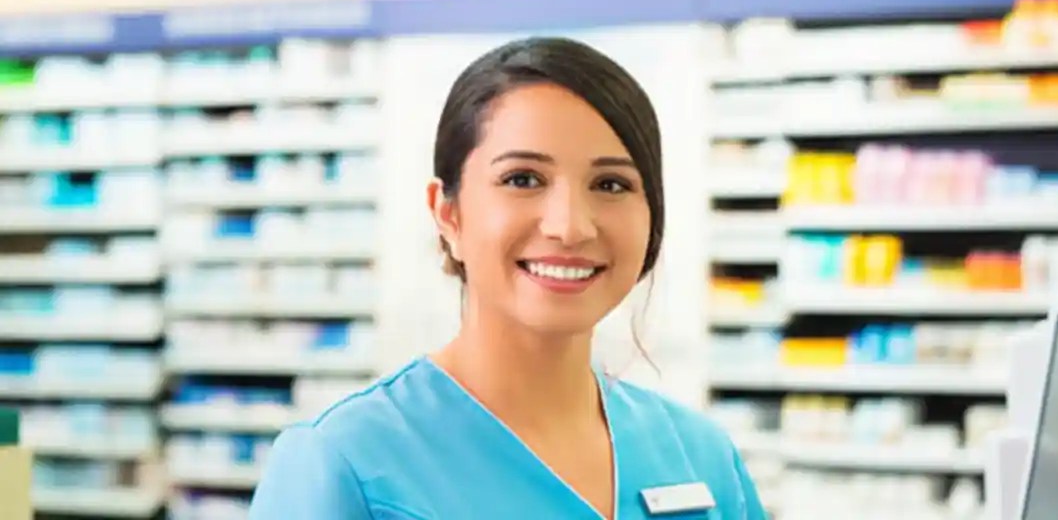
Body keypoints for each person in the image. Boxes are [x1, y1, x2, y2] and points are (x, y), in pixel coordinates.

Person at [248, 37, 767, 519]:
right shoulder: (343, 463)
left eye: (611, 184)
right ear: (447, 214)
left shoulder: (704, 459)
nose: (570, 226)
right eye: (522, 179)